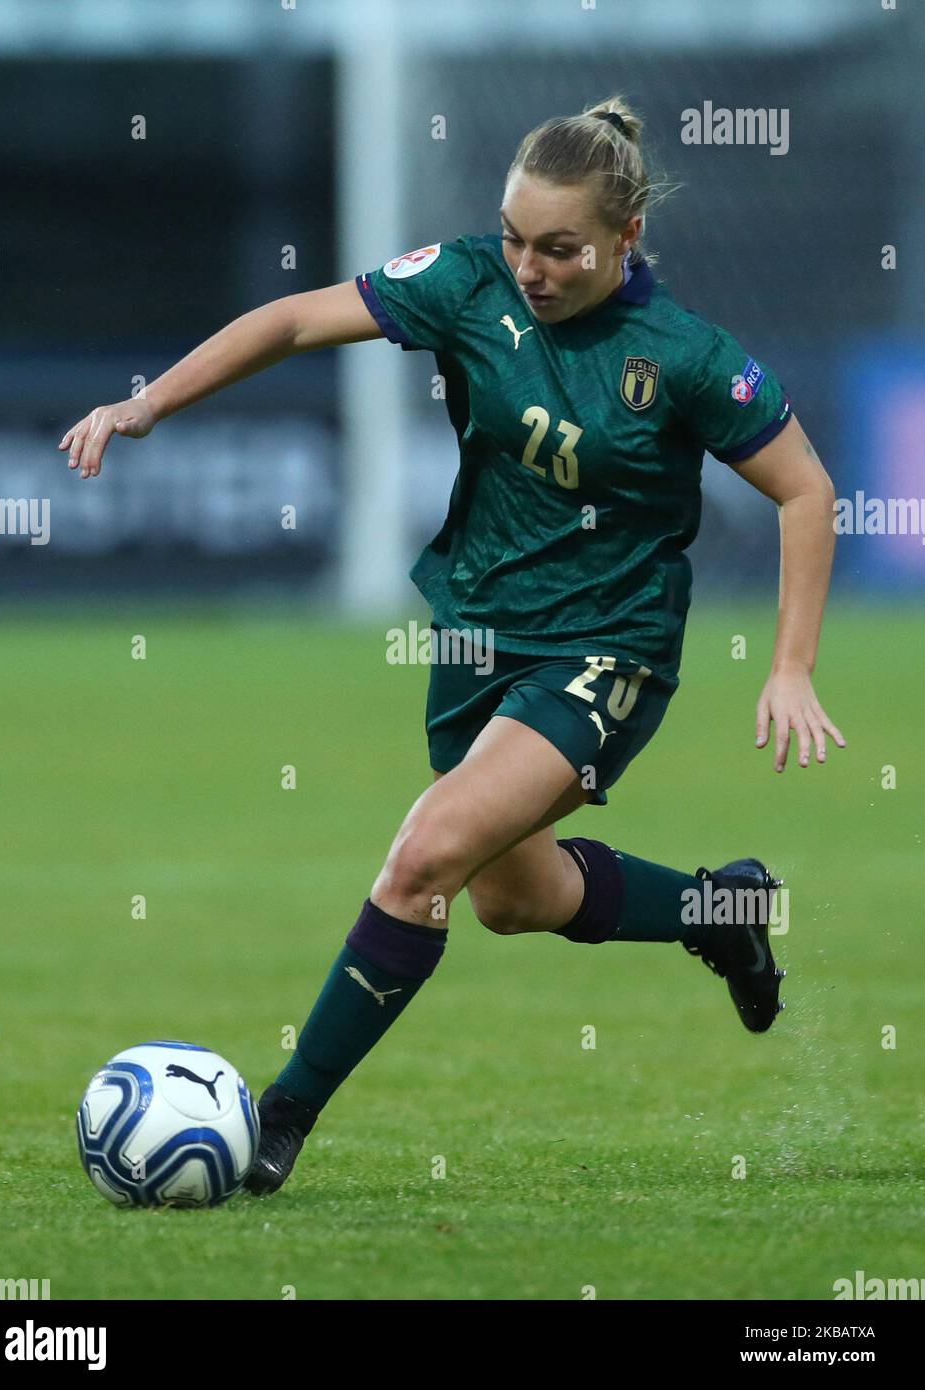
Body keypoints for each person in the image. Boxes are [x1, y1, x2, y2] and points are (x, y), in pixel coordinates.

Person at [59, 96, 846, 1198]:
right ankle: (727, 909)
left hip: (605, 652)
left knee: (424, 855)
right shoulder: (469, 281)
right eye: (516, 236)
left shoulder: (684, 357)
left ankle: (278, 1118)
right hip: (475, 634)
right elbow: (291, 320)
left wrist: (789, 664)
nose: (528, 265)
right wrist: (150, 404)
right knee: (509, 897)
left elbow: (806, 492)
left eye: (560, 248)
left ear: (625, 240)